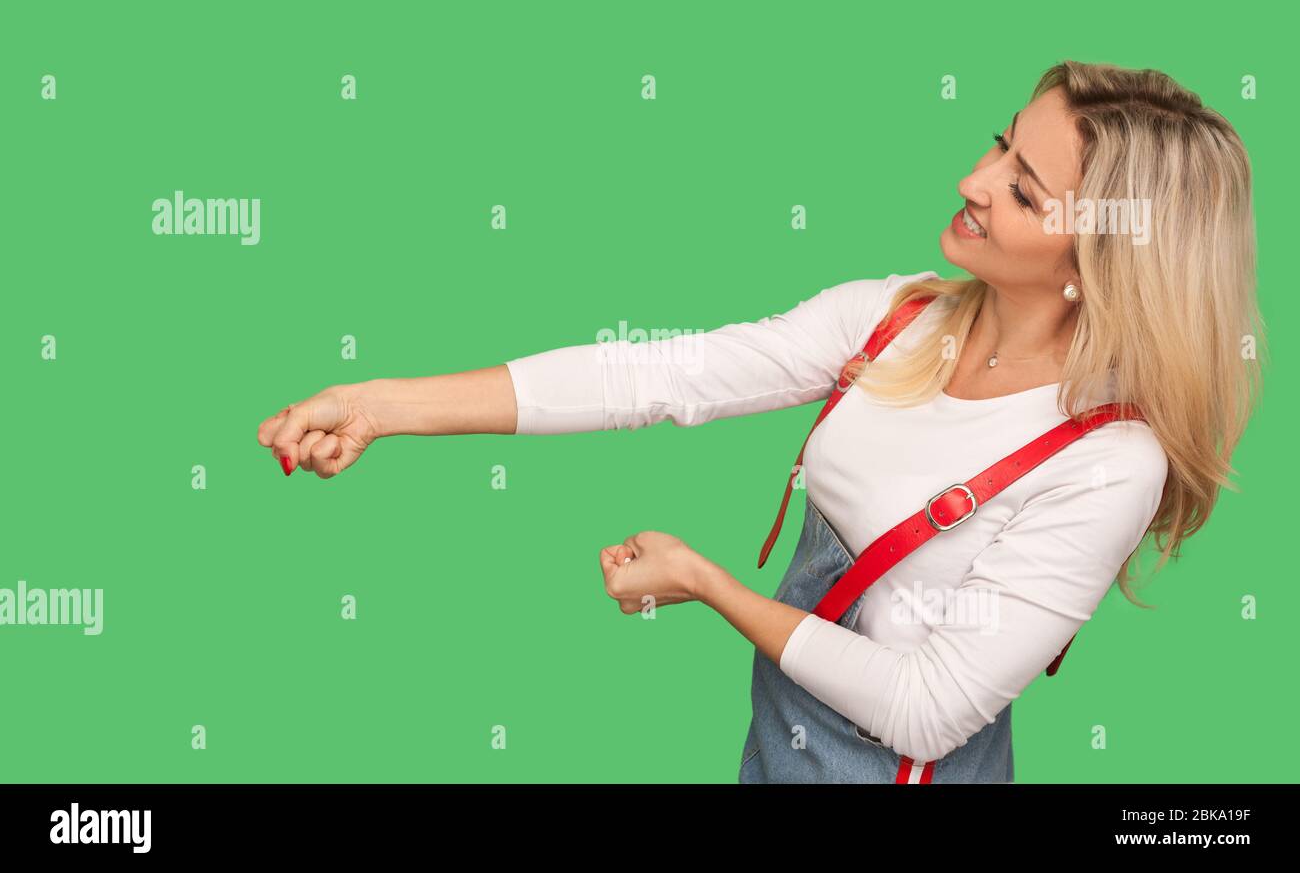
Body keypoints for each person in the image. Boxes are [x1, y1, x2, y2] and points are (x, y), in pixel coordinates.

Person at [256, 61, 1263, 782]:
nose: (973, 178)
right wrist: (381, 404)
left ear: (1099, 261)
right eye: (1002, 141)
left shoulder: (1105, 461)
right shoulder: (895, 317)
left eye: (1022, 190)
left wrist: (708, 585)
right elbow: (656, 372)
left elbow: (924, 705)